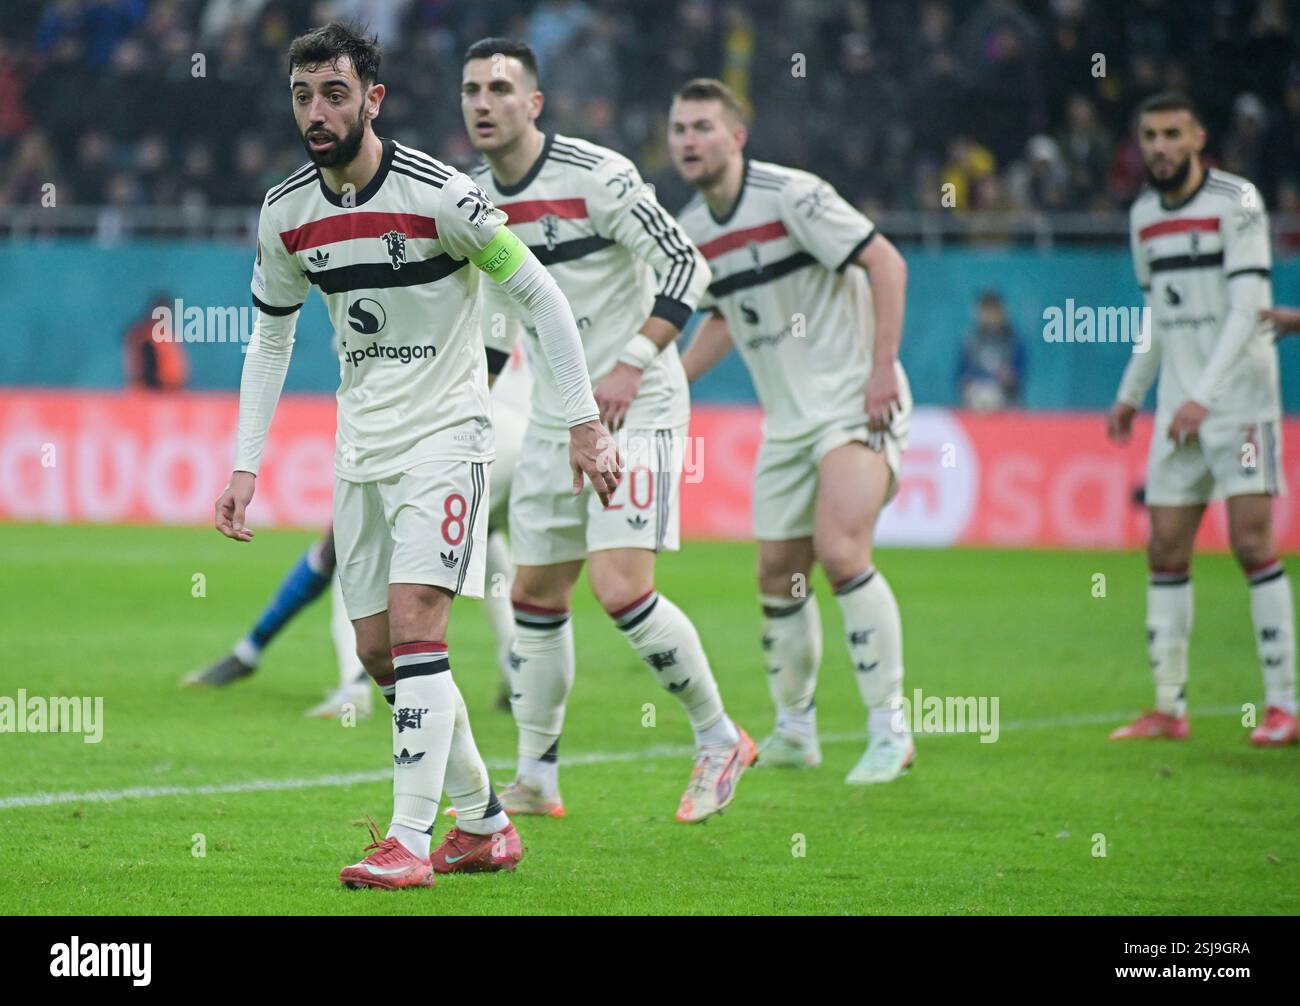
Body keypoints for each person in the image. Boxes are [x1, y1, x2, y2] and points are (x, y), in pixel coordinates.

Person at [214, 22, 619, 891]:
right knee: (377, 654)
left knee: (417, 629)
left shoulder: (446, 198)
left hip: (450, 437)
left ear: (373, 99)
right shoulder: (287, 212)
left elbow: (543, 301)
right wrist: (246, 464)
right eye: (302, 95)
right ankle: (482, 821)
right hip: (361, 449)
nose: (316, 112)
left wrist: (584, 422)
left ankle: (407, 838)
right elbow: (269, 341)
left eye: (333, 94)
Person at [461, 39, 755, 823]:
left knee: (620, 586)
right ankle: (536, 776)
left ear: (535, 103)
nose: (482, 103)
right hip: (558, 411)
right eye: (470, 90)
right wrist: (474, 402)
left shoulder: (599, 175)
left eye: (499, 88)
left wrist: (629, 364)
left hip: (640, 402)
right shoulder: (471, 200)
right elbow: (493, 313)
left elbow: (688, 266)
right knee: (534, 590)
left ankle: (719, 738)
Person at [669, 78, 916, 784]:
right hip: (788, 423)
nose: (689, 139)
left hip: (852, 403)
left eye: (703, 127)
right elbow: (721, 315)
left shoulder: (793, 196)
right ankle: (797, 731)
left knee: (841, 552)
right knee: (779, 575)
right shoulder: (695, 229)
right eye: (680, 128)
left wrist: (881, 370)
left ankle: (889, 730)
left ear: (736, 136)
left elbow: (885, 262)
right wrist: (675, 380)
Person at [1107, 91, 1296, 746]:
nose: (1159, 146)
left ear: (1196, 137)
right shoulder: (1141, 217)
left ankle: (1283, 705)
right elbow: (1156, 317)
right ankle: (1168, 708)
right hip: (1177, 412)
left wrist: (1203, 396)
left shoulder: (1237, 201)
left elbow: (1248, 312)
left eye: (1171, 134)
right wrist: (1132, 393)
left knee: (1251, 545)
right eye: (1149, 134)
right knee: (1163, 549)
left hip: (1240, 404)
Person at [956, 290, 1024, 410]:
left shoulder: (1013, 340)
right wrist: (979, 379)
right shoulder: (971, 341)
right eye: (986, 311)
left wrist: (1007, 377)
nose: (990, 316)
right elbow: (962, 375)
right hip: (975, 399)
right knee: (982, 395)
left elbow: (1019, 373)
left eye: (994, 310)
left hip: (1006, 400)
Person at [124, 292, 188, 391]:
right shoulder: (142, 334)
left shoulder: (166, 334)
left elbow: (176, 372)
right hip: (150, 388)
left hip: (167, 387)